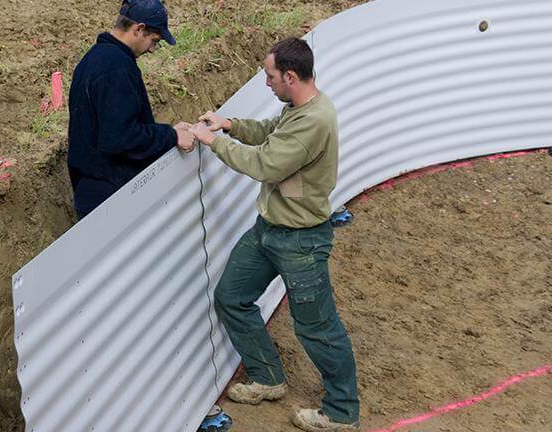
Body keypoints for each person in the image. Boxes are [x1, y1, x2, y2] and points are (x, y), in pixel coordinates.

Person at [190, 38, 360, 432]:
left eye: (270, 76)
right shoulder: (298, 110)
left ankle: (341, 411)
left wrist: (213, 141)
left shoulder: (314, 121)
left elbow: (265, 164)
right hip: (270, 229)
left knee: (318, 327)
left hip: (301, 240)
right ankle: (267, 377)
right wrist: (230, 125)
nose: (266, 83)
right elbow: (270, 132)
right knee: (232, 296)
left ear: (290, 76)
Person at [66, 0, 195, 219]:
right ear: (139, 28)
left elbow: (111, 126)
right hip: (111, 198)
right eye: (154, 40)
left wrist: (169, 133)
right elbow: (120, 137)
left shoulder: (94, 58)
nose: (152, 49)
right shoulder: (116, 68)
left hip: (91, 192)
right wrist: (171, 136)